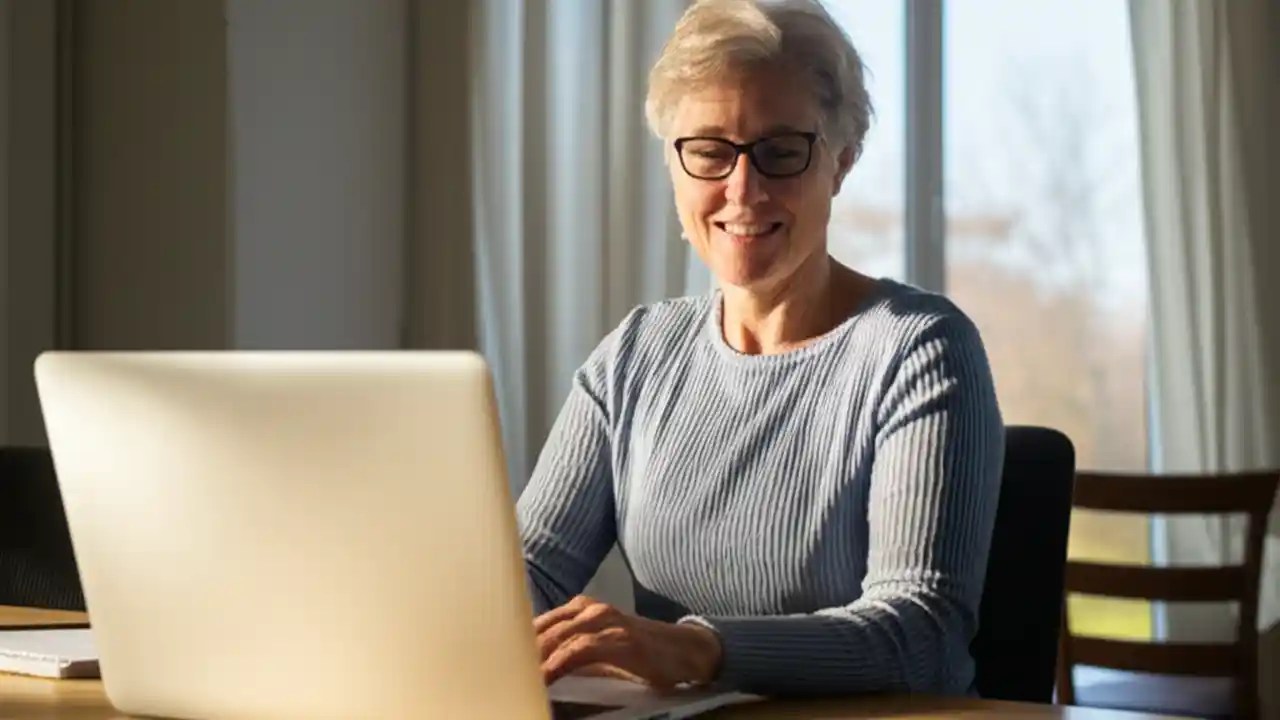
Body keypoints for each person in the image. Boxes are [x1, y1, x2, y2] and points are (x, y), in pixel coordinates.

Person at [518, 0, 1004, 698]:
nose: (742, 189)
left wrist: (696, 649)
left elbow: (920, 635)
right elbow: (528, 574)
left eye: (781, 152)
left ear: (840, 162)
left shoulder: (919, 348)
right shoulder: (634, 355)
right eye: (710, 151)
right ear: (673, 165)